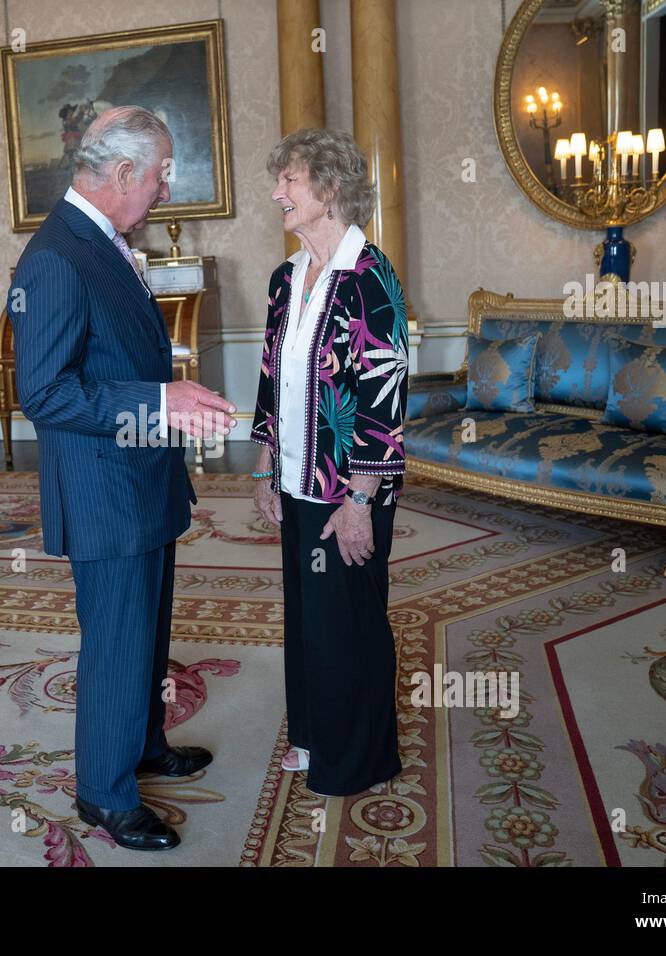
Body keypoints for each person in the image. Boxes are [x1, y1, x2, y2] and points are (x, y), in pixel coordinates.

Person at [7, 106, 236, 850]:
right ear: (123, 174)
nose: (166, 190)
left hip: (142, 473)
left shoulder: (101, 240)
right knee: (116, 639)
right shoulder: (54, 257)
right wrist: (158, 401)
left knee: (148, 630)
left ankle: (142, 749)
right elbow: (41, 392)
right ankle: (105, 794)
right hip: (106, 488)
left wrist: (163, 407)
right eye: (161, 174)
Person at [249, 128, 409, 796]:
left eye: (289, 180)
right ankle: (314, 734)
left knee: (349, 620)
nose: (276, 192)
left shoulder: (371, 280)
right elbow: (270, 376)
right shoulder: (287, 279)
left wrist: (359, 501)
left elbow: (383, 394)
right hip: (293, 478)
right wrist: (263, 464)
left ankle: (360, 755)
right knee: (309, 615)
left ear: (331, 188)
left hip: (347, 484)